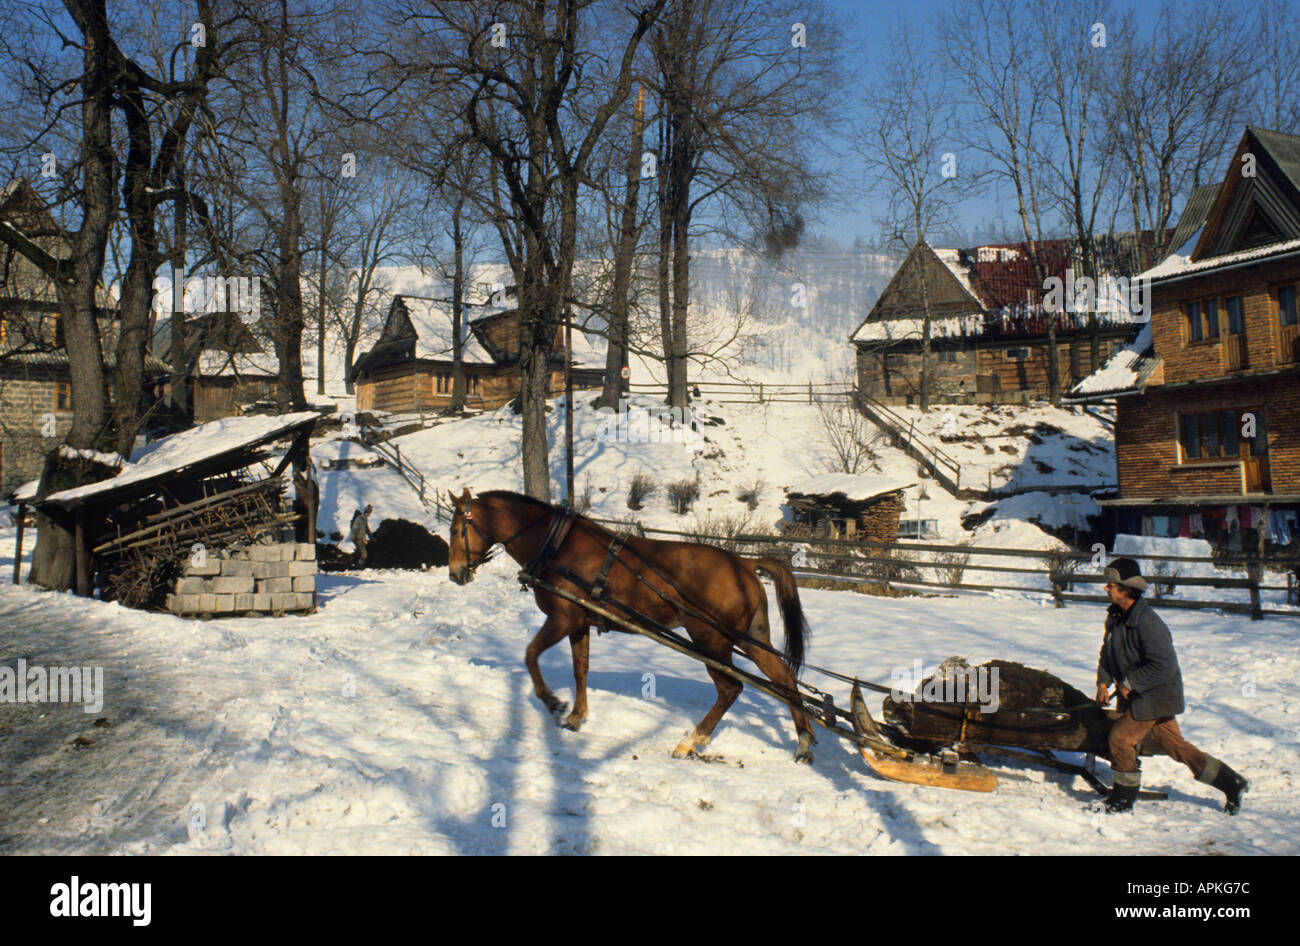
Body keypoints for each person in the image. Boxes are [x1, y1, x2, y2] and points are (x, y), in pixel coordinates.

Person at [1095, 557, 1248, 814]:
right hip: (1140, 695)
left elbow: (1164, 665)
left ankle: (1123, 798)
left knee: (1120, 739)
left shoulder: (1148, 623)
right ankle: (1232, 782)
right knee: (1175, 746)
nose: (1106, 589)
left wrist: (1130, 683)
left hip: (1155, 695)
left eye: (1111, 585)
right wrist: (1103, 682)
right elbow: (1107, 652)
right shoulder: (1115, 618)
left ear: (1126, 588)